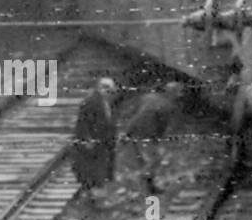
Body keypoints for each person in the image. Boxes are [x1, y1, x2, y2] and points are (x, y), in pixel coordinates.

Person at [124, 81, 182, 196]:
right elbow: (162, 126)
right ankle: (144, 183)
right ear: (173, 93)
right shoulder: (168, 106)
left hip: (133, 130)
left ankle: (146, 185)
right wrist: (159, 139)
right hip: (146, 134)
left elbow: (134, 111)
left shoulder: (148, 97)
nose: (179, 96)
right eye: (178, 93)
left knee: (144, 159)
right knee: (155, 159)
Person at [71, 77, 118, 205]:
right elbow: (82, 123)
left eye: (110, 89)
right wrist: (87, 139)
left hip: (103, 141)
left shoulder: (106, 101)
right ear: (99, 87)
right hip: (93, 142)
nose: (109, 92)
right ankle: (96, 199)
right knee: (94, 169)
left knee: (101, 168)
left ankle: (96, 196)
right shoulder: (91, 101)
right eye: (106, 88)